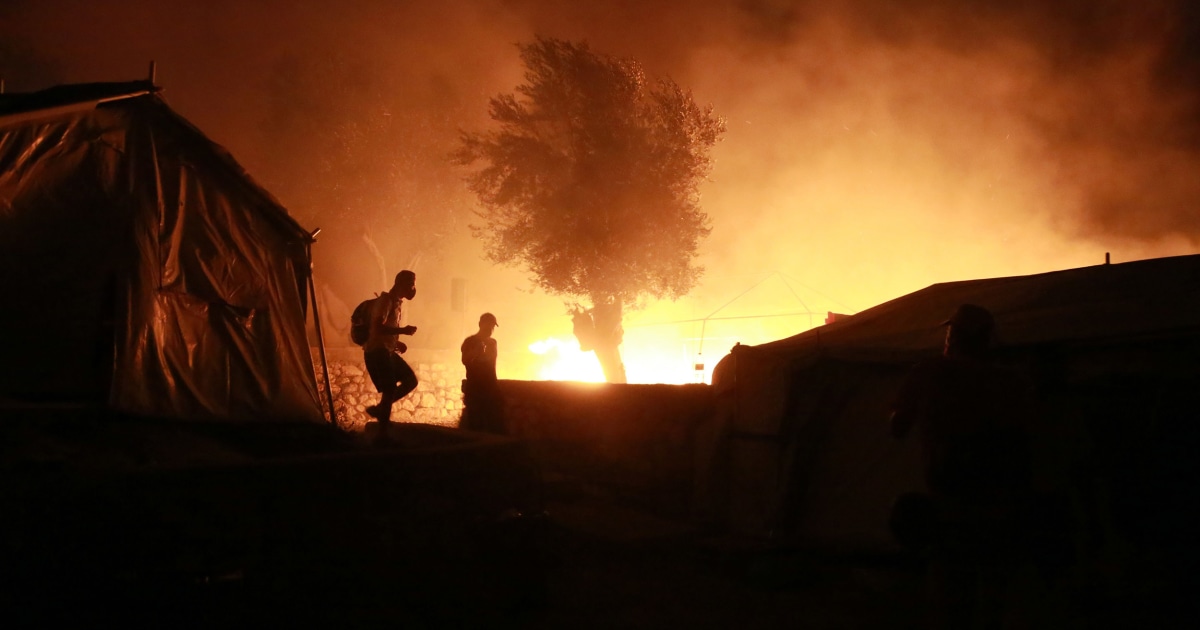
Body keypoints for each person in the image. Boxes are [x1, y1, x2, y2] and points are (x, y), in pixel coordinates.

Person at [890, 303, 1036, 629]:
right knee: (994, 597)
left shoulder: (928, 373)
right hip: (1000, 508)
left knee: (952, 597)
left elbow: (898, 428)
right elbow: (1024, 442)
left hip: (949, 506)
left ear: (955, 335)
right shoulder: (1010, 382)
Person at [363, 270, 419, 423]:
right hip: (377, 352)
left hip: (386, 351)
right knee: (390, 389)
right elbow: (377, 328)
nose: (413, 288)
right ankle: (382, 433)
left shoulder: (395, 303)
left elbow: (384, 329)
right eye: (412, 284)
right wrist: (403, 330)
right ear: (401, 284)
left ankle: (381, 409)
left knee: (410, 381)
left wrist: (396, 342)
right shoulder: (386, 302)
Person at [460, 312, 502, 432]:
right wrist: (476, 352)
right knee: (475, 425)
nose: (491, 329)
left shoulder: (492, 343)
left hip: (491, 387)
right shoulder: (469, 342)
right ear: (480, 324)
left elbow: (491, 362)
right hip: (475, 388)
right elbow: (465, 361)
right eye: (488, 326)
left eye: (492, 327)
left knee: (492, 425)